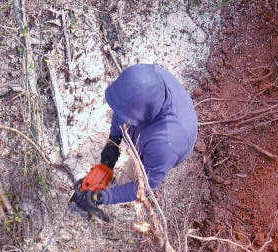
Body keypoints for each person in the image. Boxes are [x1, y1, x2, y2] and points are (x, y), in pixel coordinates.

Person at [71, 63, 198, 219]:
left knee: (133, 174)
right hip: (151, 128)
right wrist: (113, 141)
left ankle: (119, 189)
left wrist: (99, 198)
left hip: (165, 146)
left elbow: (145, 187)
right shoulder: (145, 78)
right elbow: (122, 109)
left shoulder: (165, 145)